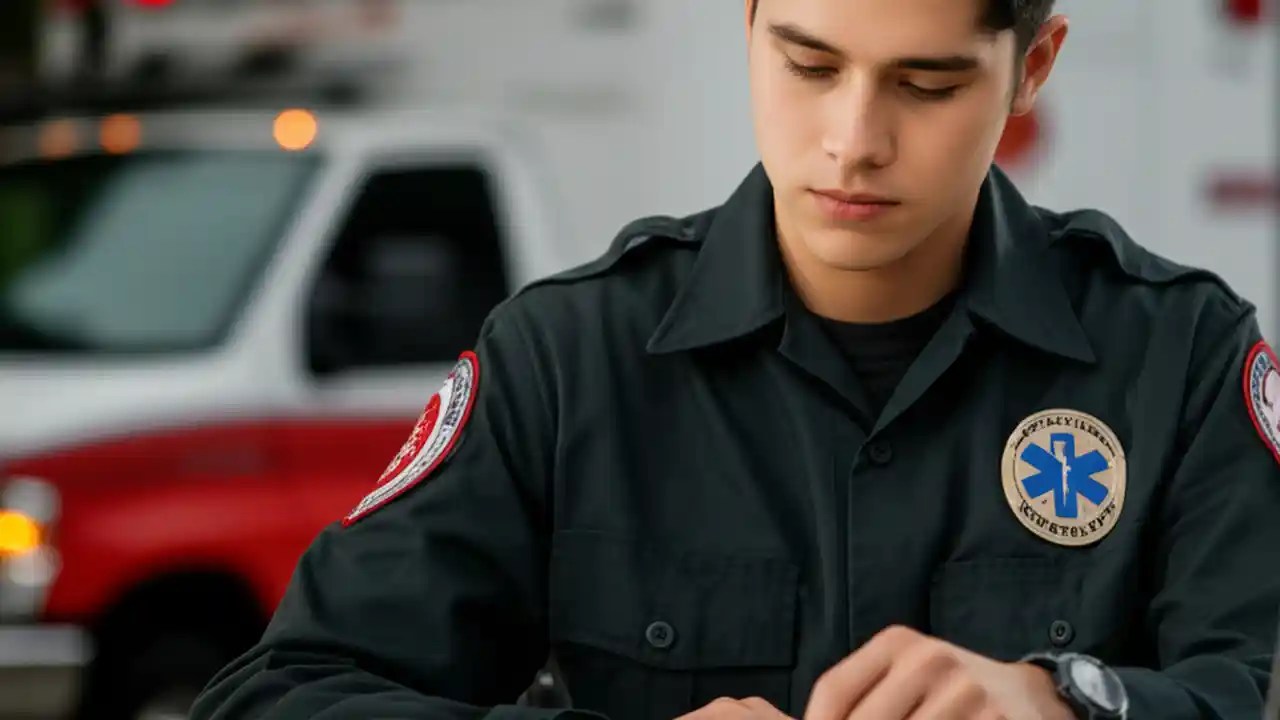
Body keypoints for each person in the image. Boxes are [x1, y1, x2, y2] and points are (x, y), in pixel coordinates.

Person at [191, 0, 1280, 717]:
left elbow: (1243, 686)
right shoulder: (570, 363)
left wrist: (1065, 704)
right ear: (750, 24)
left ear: (1030, 67)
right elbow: (280, 697)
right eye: (808, 63)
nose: (851, 138)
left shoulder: (1175, 361)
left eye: (925, 84)